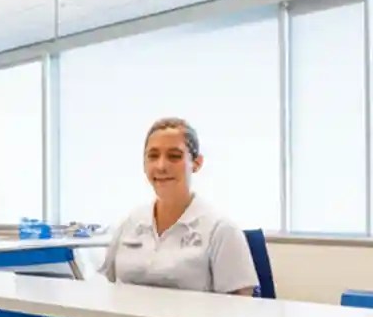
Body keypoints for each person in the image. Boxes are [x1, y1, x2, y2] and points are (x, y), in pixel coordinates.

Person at [100, 117, 260, 295]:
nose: (161, 166)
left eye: (174, 156)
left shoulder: (221, 230)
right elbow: (106, 288)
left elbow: (241, 310)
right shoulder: (129, 223)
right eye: (153, 156)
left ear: (197, 163)